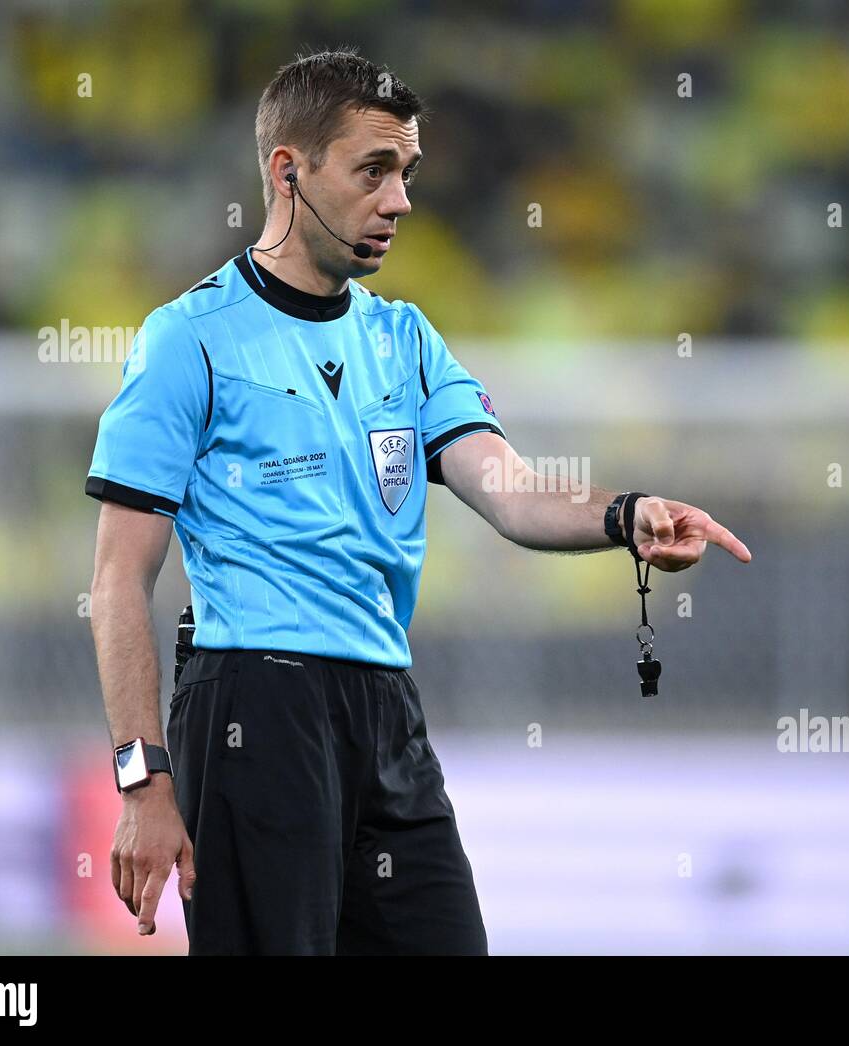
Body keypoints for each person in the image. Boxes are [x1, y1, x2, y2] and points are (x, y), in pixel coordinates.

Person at [86, 48, 752, 956]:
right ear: (289, 171)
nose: (400, 199)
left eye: (406, 172)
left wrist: (623, 515)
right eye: (374, 170)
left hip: (384, 705)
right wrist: (142, 783)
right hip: (254, 705)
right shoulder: (187, 340)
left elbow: (509, 489)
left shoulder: (404, 339)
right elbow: (121, 578)